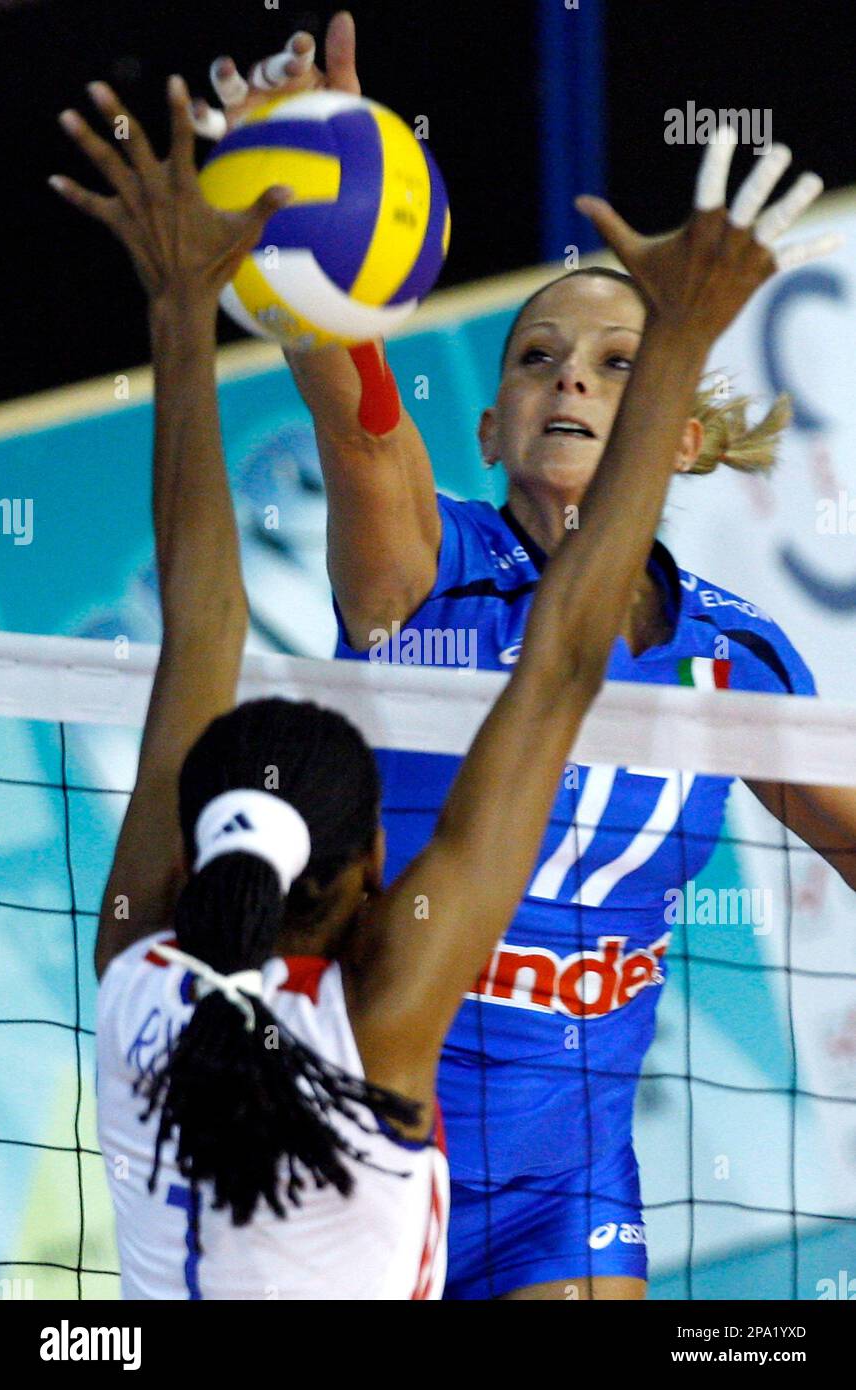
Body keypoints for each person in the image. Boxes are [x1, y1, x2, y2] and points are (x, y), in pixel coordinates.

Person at [51, 57, 818, 1300]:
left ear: (683, 437)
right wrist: (314, 208)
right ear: (486, 427)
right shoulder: (423, 569)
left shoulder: (740, 661)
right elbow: (359, 428)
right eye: (533, 357)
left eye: (620, 360)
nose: (566, 375)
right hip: (360, 1105)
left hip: (562, 1190)